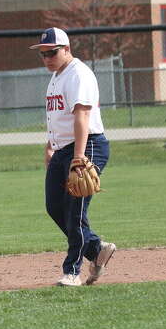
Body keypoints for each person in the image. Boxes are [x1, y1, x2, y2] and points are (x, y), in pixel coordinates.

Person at [32, 28, 116, 287]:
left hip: (87, 145)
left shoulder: (78, 74)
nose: (47, 58)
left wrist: (79, 158)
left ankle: (72, 271)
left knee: (74, 211)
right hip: (63, 149)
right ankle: (96, 249)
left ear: (66, 49)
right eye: (43, 54)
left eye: (52, 52)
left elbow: (82, 117)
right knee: (55, 207)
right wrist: (50, 145)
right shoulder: (57, 76)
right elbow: (59, 117)